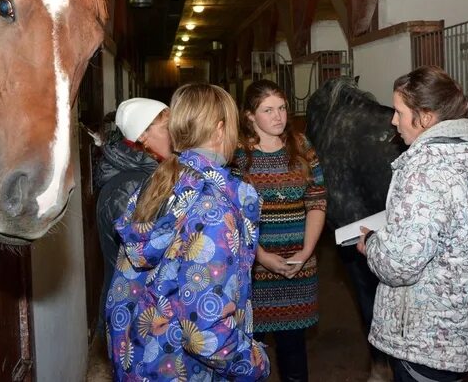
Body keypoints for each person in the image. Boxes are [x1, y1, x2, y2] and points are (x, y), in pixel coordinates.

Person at [104, 83, 270, 381]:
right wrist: (255, 363)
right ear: (220, 130)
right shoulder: (214, 210)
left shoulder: (157, 184)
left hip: (145, 360)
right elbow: (207, 337)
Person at [356, 65, 468, 382]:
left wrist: (374, 245)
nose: (393, 121)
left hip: (425, 340)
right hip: (457, 333)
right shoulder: (465, 155)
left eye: (399, 112)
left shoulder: (423, 171)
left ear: (427, 117)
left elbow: (400, 264)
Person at [233, 79, 327, 382]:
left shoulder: (301, 146)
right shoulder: (238, 154)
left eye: (283, 108)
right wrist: (261, 256)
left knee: (294, 351)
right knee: (250, 351)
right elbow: (232, 214)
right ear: (250, 116)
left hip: (298, 266)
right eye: (268, 110)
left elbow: (316, 200)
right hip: (253, 271)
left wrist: (306, 251)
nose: (279, 116)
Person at [93, 98, 173, 337]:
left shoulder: (152, 175)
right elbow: (143, 255)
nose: (177, 133)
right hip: (134, 312)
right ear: (142, 137)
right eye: (167, 127)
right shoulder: (130, 186)